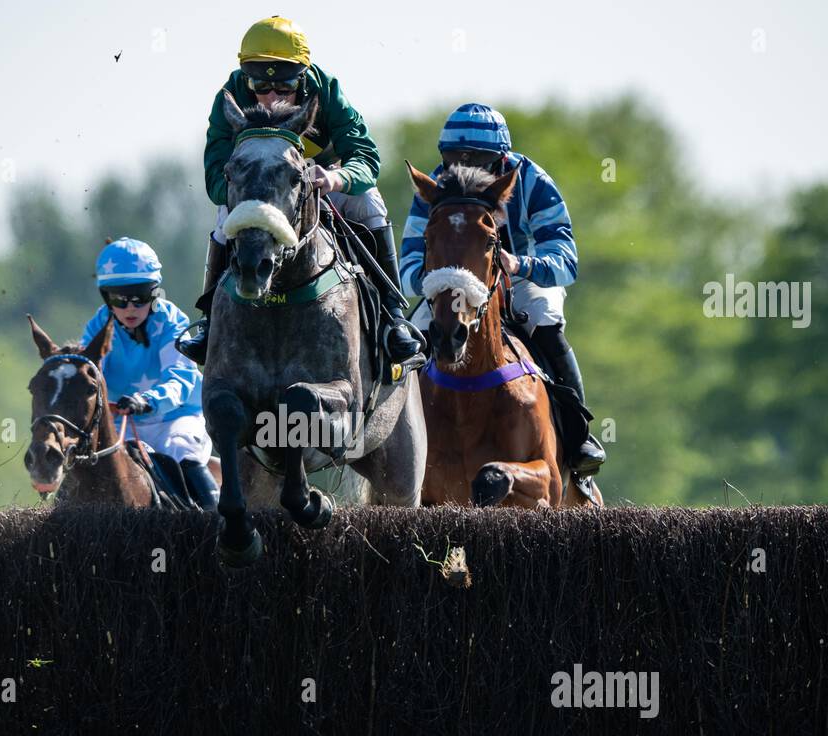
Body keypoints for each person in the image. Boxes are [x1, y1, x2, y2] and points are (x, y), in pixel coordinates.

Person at [176, 15, 424, 367]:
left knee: (369, 201)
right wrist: (237, 189)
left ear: (303, 77)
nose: (271, 95)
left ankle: (394, 315)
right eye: (260, 86)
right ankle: (209, 319)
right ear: (247, 77)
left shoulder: (327, 89)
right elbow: (215, 171)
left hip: (324, 178)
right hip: (259, 188)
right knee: (223, 217)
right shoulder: (228, 95)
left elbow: (365, 155)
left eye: (284, 85)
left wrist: (338, 179)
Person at [400, 103, 606, 476]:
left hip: (524, 279)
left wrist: (520, 264)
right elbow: (409, 264)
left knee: (545, 323)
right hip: (453, 284)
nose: (465, 171)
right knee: (406, 337)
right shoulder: (434, 187)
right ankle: (388, 438)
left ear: (500, 160)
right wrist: (437, 282)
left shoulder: (532, 181)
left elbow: (566, 260)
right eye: (455, 161)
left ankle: (578, 435)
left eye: (477, 161)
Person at [80, 238, 219, 510]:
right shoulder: (98, 325)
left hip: (176, 417)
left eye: (140, 297)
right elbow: (89, 375)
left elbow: (180, 377)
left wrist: (148, 401)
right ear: (106, 297)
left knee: (181, 448)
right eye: (120, 299)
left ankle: (215, 525)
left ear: (154, 293)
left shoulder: (171, 320)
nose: (130, 308)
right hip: (122, 424)